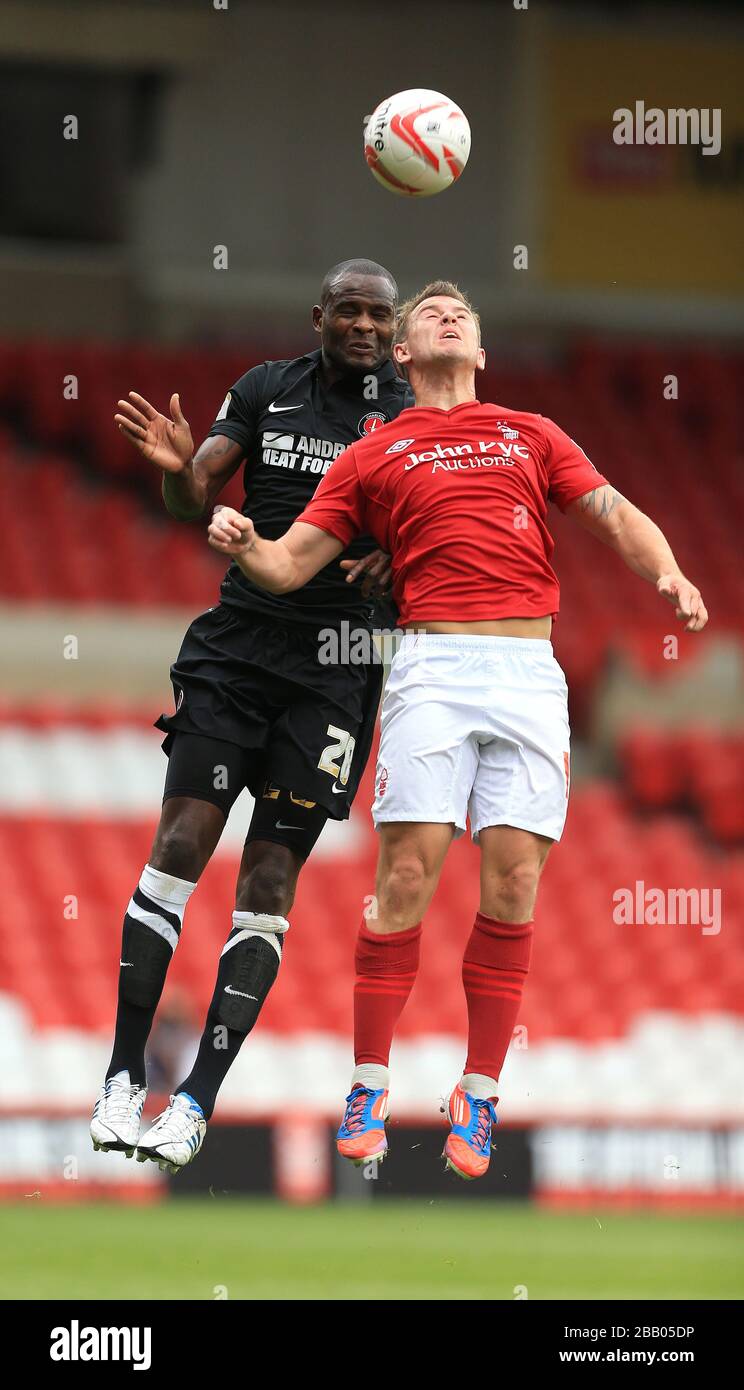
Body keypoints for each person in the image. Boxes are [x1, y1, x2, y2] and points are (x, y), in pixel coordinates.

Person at [207, 280, 708, 1181]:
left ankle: (477, 1092)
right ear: (402, 355)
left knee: (513, 880)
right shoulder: (375, 451)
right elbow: (287, 566)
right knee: (405, 873)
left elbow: (614, 513)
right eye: (429, 313)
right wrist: (246, 540)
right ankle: (369, 1081)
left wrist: (667, 572)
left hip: (525, 673)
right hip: (431, 667)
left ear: (479, 351)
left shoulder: (533, 434)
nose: (446, 316)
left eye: (461, 314)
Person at [90, 259, 413, 1173]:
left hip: (338, 672)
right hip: (238, 650)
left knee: (268, 883)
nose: (362, 326)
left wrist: (400, 560)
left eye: (376, 315)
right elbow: (194, 495)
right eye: (346, 310)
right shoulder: (266, 389)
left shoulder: (414, 420)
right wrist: (177, 478)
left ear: (393, 330)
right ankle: (121, 1078)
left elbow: (436, 532)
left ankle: (194, 1101)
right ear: (318, 316)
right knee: (181, 846)